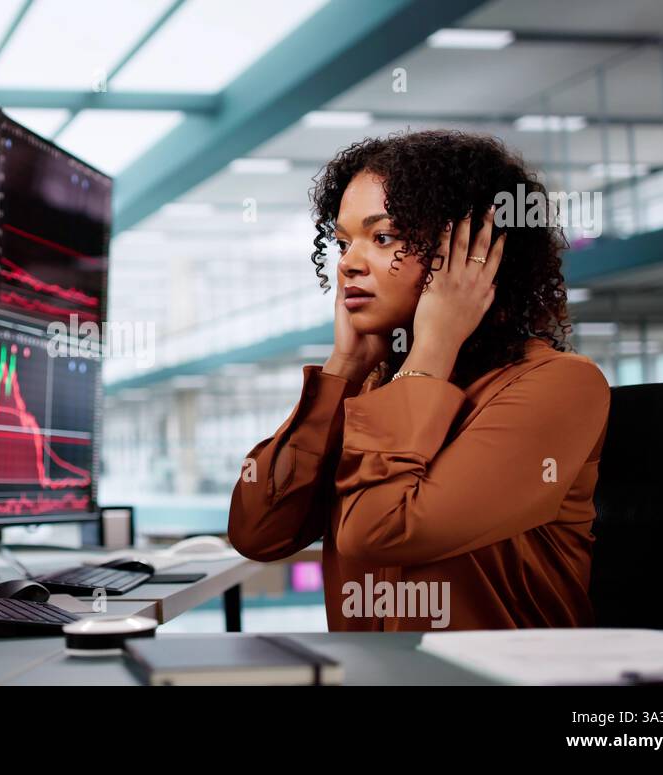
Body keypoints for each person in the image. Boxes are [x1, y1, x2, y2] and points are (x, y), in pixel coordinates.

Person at [227, 130, 609, 630]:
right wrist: (345, 367)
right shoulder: (377, 390)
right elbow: (259, 533)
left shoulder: (557, 386)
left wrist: (432, 347)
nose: (347, 264)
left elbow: (377, 531)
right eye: (343, 242)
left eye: (382, 237)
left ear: (476, 251)